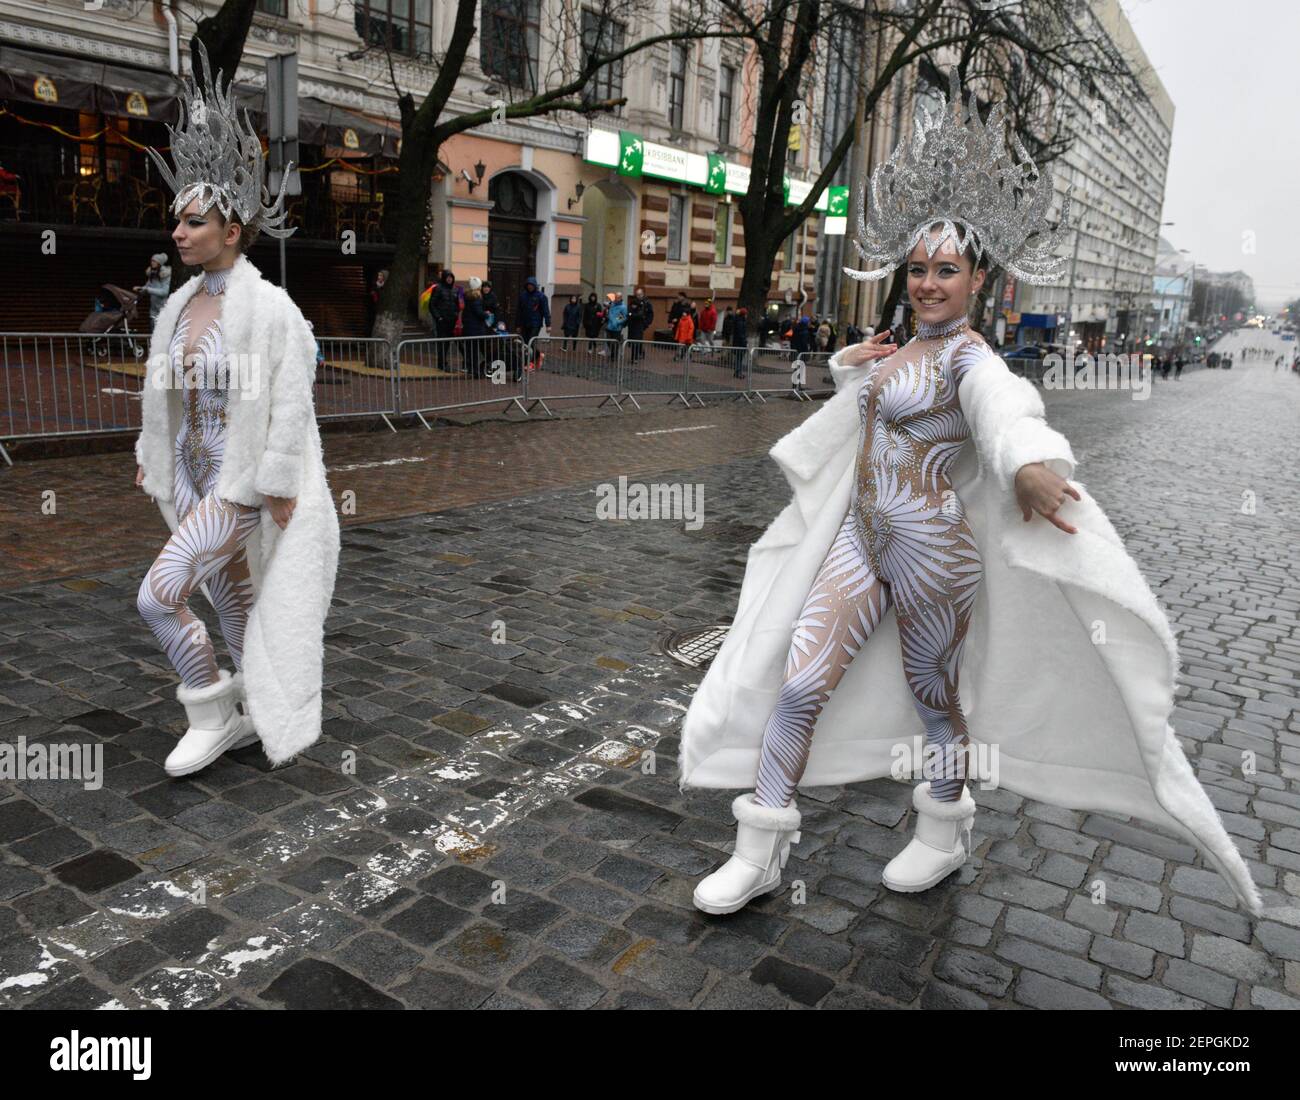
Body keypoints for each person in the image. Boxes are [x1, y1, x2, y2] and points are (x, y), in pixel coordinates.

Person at [682, 68, 1261, 918]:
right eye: (917, 268)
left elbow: (1005, 413)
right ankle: (760, 847)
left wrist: (1030, 462)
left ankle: (942, 835)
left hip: (930, 550)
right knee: (800, 683)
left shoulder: (970, 360)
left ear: (977, 279)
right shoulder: (901, 347)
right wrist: (855, 365)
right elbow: (864, 403)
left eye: (945, 271)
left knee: (934, 700)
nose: (927, 283)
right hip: (860, 537)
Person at [133, 41, 339, 778]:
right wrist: (150, 459)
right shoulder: (179, 303)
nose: (178, 232)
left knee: (157, 598)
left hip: (237, 481)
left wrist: (279, 483)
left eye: (193, 223)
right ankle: (259, 710)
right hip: (189, 477)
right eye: (177, 221)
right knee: (231, 602)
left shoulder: (270, 307)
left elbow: (292, 395)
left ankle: (210, 710)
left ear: (230, 230)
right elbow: (163, 397)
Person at [430, 267, 461, 371]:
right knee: (442, 343)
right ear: (444, 278)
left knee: (448, 343)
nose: (449, 279)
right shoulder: (438, 288)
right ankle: (442, 364)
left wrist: (456, 314)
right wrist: (438, 317)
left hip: (451, 320)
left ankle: (444, 363)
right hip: (442, 321)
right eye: (447, 277)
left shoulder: (455, 289)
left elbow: (457, 304)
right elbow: (432, 304)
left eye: (451, 277)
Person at [134, 253, 173, 329]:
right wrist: (140, 289)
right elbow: (147, 287)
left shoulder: (166, 275)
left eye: (154, 261)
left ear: (159, 263)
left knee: (162, 330)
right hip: (154, 308)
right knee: (153, 329)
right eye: (152, 261)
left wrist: (147, 290)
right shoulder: (152, 275)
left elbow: (164, 292)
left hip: (163, 307)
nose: (152, 263)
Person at [462, 276, 490, 378]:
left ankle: (470, 369)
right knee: (475, 350)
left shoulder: (467, 297)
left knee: (469, 349)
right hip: (476, 329)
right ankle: (475, 371)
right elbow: (478, 313)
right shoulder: (477, 298)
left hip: (468, 327)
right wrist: (486, 314)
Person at [516, 275, 551, 344]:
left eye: (531, 285)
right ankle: (529, 354)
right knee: (525, 342)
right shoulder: (523, 296)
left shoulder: (541, 296)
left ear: (535, 285)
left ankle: (535, 354)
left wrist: (548, 325)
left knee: (531, 341)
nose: (530, 287)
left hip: (535, 323)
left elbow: (546, 311)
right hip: (525, 323)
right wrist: (518, 325)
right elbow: (519, 311)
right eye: (528, 285)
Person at [627, 286, 654, 361]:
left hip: (641, 324)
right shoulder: (633, 302)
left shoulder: (647, 303)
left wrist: (646, 323)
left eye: (640, 294)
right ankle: (640, 352)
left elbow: (650, 314)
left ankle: (634, 358)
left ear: (643, 294)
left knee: (637, 340)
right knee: (635, 340)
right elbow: (629, 311)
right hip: (632, 324)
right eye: (637, 294)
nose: (638, 296)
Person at [604, 291, 628, 358]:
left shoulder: (623, 307)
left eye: (617, 297)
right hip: (609, 326)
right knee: (608, 341)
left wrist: (616, 321)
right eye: (615, 297)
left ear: (620, 298)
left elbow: (624, 316)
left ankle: (614, 355)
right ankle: (613, 352)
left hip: (617, 328)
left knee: (615, 342)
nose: (616, 299)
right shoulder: (612, 304)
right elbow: (609, 311)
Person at [729, 305, 748, 378]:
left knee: (738, 358)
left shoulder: (738, 320)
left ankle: (737, 372)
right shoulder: (740, 322)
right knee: (739, 358)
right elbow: (741, 334)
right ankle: (738, 372)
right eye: (746, 314)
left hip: (738, 343)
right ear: (743, 314)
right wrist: (744, 341)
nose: (746, 316)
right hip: (740, 343)